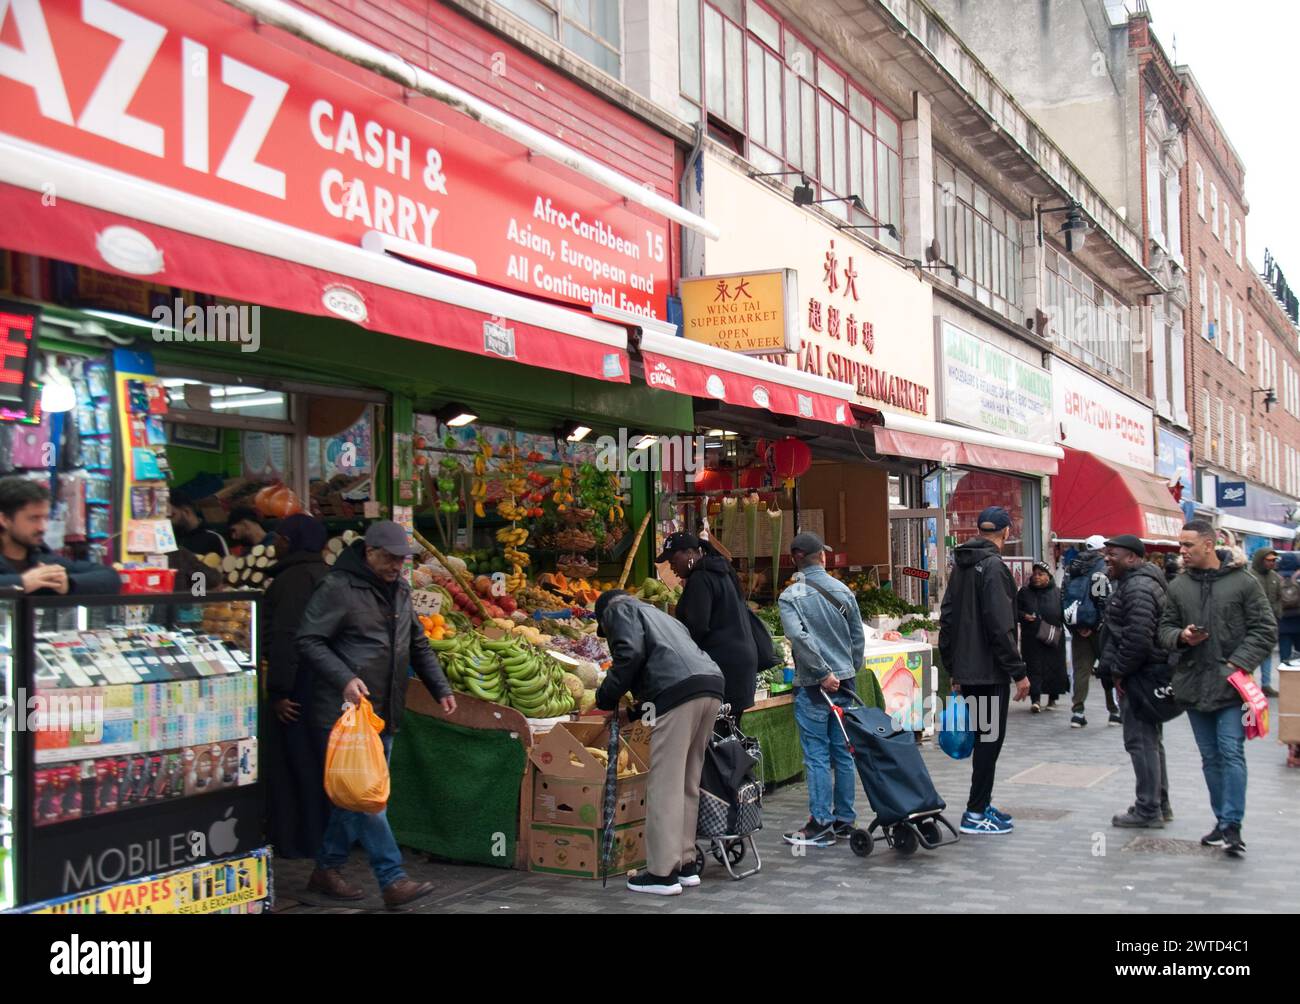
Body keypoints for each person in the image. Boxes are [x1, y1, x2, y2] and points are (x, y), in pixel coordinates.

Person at [297, 520, 456, 908]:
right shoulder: (338, 588)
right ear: (369, 552)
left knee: (354, 797)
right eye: (390, 559)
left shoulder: (401, 588)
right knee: (368, 797)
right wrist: (345, 678)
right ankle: (392, 878)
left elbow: (417, 643)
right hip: (344, 714)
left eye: (402, 560)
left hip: (383, 710)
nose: (397, 567)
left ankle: (326, 869)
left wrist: (441, 688)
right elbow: (308, 639)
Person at [592, 589, 725, 896]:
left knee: (665, 785)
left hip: (679, 694)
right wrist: (635, 712)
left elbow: (631, 654)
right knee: (688, 782)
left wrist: (606, 696)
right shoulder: (662, 616)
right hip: (711, 686)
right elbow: (667, 666)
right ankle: (686, 864)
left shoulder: (618, 609)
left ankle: (662, 873)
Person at [1158, 520, 1277, 856]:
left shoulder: (1243, 582)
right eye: (1181, 545)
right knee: (1210, 757)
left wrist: (1237, 664)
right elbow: (1164, 629)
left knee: (1230, 751)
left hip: (1231, 687)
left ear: (1209, 545)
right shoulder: (1179, 586)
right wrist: (1182, 637)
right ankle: (1222, 819)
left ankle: (1232, 825)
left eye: (1188, 545)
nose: (1182, 551)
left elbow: (1265, 628)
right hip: (1193, 684)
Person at [938, 506, 1031, 836]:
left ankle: (982, 804)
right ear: (1006, 532)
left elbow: (946, 619)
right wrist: (1018, 671)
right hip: (989, 673)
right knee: (989, 742)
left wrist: (953, 666)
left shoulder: (961, 566)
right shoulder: (993, 567)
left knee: (984, 741)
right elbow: (1000, 624)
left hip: (969, 670)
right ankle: (976, 813)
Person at [778, 531, 864, 849]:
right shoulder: (844, 591)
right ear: (822, 557)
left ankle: (820, 823)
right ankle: (845, 820)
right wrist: (846, 669)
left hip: (816, 686)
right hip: (846, 681)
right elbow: (858, 637)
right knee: (843, 753)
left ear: (793, 559)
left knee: (816, 755)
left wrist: (822, 672)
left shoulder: (790, 597)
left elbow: (798, 638)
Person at [264, 513, 331, 859]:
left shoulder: (292, 580)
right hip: (322, 685)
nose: (274, 543)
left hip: (299, 689)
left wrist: (278, 692)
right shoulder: (325, 575)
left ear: (290, 542)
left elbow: (287, 637)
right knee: (317, 766)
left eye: (279, 537)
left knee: (296, 767)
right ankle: (318, 840)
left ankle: (298, 841)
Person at [1098, 535, 1173, 828]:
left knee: (1140, 741)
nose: (1107, 559)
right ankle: (1158, 802)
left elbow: (1138, 637)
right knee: (1151, 741)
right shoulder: (1138, 583)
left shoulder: (1139, 587)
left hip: (1141, 675)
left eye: (1112, 554)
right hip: (1146, 672)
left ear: (1132, 557)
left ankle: (1148, 809)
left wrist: (1119, 671)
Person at [663, 532, 773, 726]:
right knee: (729, 733)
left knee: (718, 736)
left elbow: (697, 627)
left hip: (723, 668)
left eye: (673, 560)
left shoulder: (700, 578)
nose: (671, 566)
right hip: (740, 666)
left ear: (690, 553)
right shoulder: (721, 572)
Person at [0, 477, 121, 595]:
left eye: (46, 518)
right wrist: (22, 583)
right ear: (4, 519)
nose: (43, 527)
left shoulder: (43, 558)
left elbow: (110, 577)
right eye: (33, 518)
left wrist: (68, 584)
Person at [1061, 534, 1119, 728]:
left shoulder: (1071, 569)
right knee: (1107, 668)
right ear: (1102, 549)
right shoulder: (1103, 568)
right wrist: (1098, 625)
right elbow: (1103, 600)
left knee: (1080, 671)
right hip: (1100, 630)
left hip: (1078, 629)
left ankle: (1078, 712)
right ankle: (1114, 711)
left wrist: (1076, 627)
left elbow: (1064, 600)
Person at [1016, 561, 1068, 712]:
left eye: (1041, 574)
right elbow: (1015, 611)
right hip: (1031, 638)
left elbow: (1065, 613)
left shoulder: (1058, 592)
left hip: (1053, 637)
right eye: (1035, 574)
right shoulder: (1025, 592)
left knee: (1054, 667)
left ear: (1048, 576)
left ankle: (1052, 698)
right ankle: (1035, 699)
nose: (1037, 577)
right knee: (1033, 667)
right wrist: (1023, 615)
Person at [1248, 548, 1282, 697]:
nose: (1272, 563)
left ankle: (1266, 685)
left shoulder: (1275, 576)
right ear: (1261, 560)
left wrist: (1278, 614)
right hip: (1253, 622)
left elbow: (1279, 597)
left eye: (1274, 560)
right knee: (1250, 654)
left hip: (1270, 623)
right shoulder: (1250, 577)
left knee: (1267, 653)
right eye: (1269, 560)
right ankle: (1250, 685)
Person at [169, 489, 229, 559]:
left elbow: (228, 567)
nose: (169, 522)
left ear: (186, 511)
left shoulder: (213, 537)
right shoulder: (174, 543)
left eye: (171, 516)